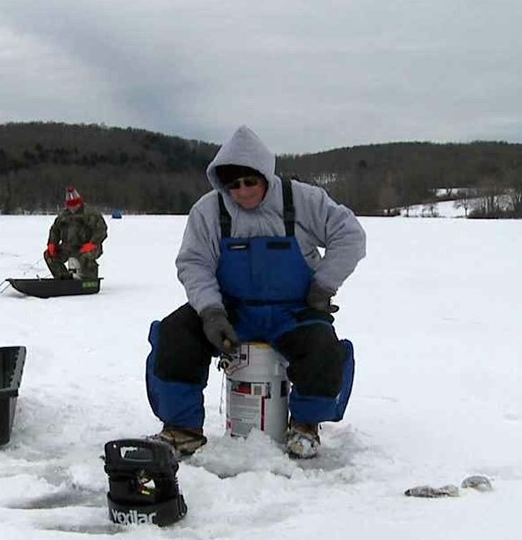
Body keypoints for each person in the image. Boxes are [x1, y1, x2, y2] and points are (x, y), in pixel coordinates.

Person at [144, 125, 366, 459]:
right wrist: (210, 312)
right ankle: (182, 428)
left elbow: (350, 236)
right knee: (175, 333)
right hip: (233, 310)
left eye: (250, 182)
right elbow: (195, 263)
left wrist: (322, 287)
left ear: (265, 175)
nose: (242, 192)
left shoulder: (303, 200)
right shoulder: (208, 211)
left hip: (293, 311)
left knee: (323, 348)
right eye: (233, 185)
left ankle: (305, 425)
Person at [44, 186, 108, 280]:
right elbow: (55, 230)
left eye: (75, 205)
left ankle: (89, 279)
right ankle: (63, 277)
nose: (72, 208)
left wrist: (92, 244)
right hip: (68, 246)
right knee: (49, 254)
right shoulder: (63, 216)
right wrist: (52, 244)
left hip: (88, 246)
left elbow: (101, 230)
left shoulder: (90, 213)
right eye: (70, 205)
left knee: (86, 255)